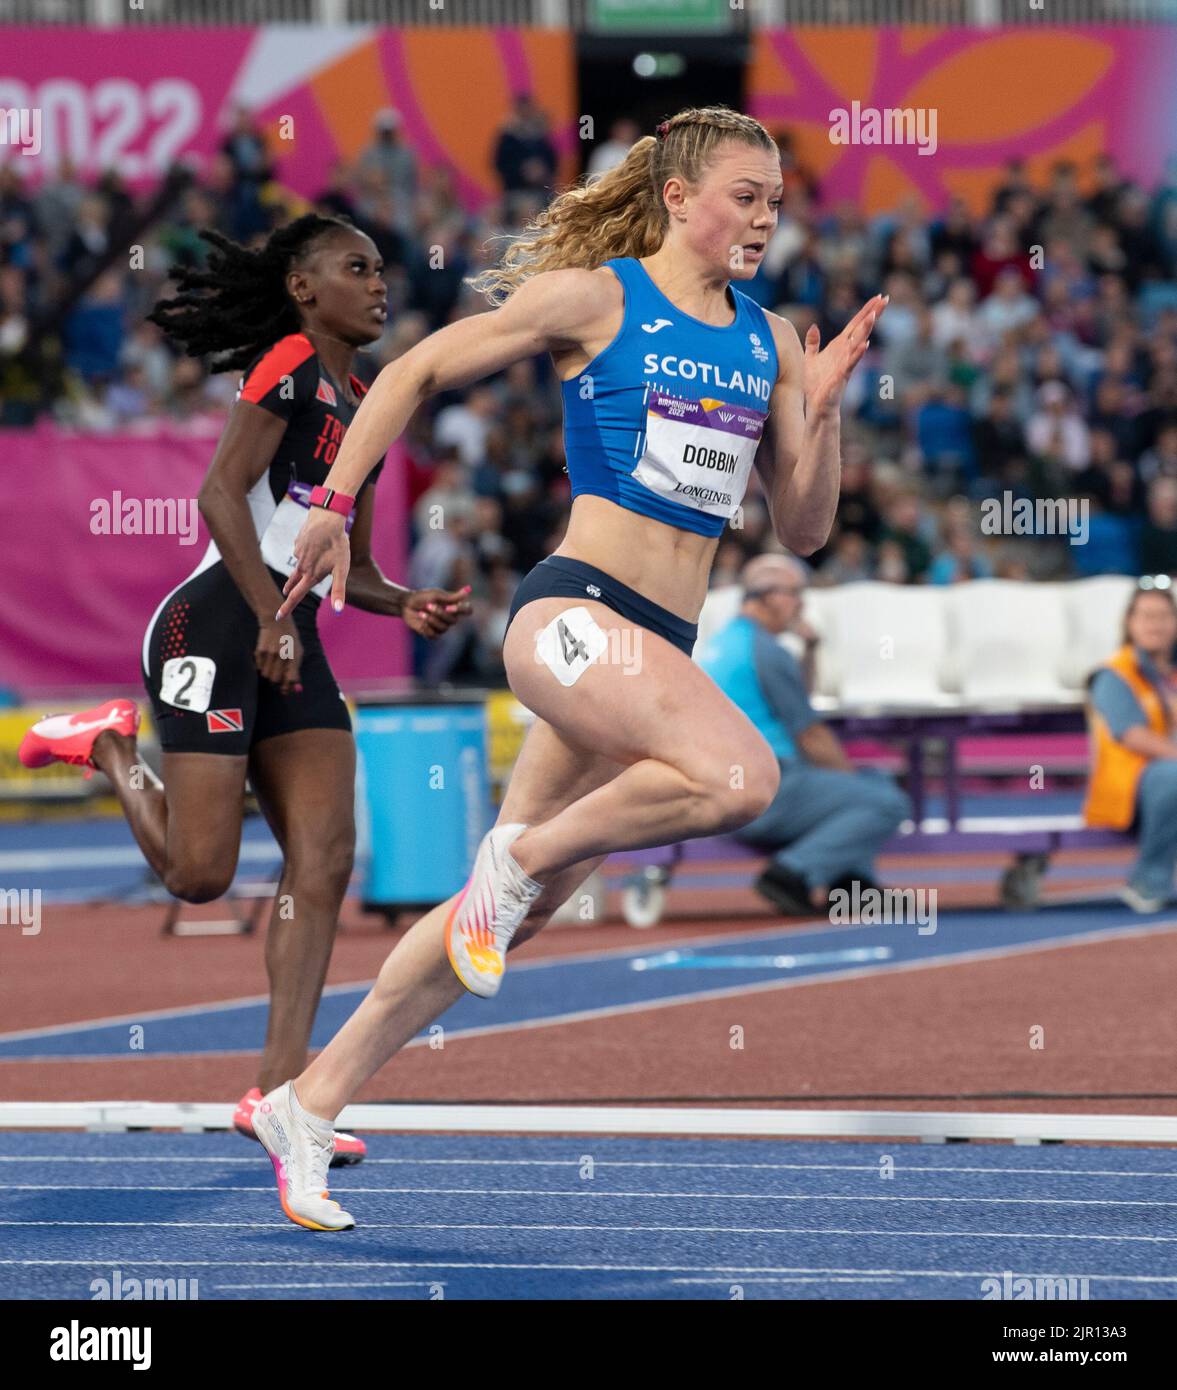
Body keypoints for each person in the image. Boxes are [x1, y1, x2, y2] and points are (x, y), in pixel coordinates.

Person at [251, 105, 885, 1231]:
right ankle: (522, 855)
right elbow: (411, 373)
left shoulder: (772, 339)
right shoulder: (599, 297)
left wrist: (822, 414)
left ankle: (308, 1099)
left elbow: (801, 527)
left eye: (777, 203)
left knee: (508, 918)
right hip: (573, 617)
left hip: (655, 651)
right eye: (744, 195)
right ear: (678, 196)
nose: (763, 219)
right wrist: (333, 506)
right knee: (742, 778)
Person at [18, 213, 470, 1166]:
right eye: (358, 269)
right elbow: (221, 496)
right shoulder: (289, 364)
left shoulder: (369, 402)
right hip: (217, 626)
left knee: (326, 858)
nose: (381, 284)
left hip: (287, 637)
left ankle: (283, 1097)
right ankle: (108, 745)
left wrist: (408, 605)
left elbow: (356, 567)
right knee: (200, 875)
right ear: (305, 288)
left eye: (384, 269)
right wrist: (270, 619)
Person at [697, 554, 909, 915]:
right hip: (768, 789)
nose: (802, 604)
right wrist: (848, 777)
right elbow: (809, 734)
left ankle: (853, 887)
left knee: (866, 787)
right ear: (767, 596)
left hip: (729, 786)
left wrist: (809, 650)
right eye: (794, 593)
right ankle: (792, 873)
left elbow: (793, 702)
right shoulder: (767, 652)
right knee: (883, 800)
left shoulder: (727, 643)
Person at [1082, 576, 1177, 912]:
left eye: (1163, 616)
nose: (1155, 625)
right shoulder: (1114, 674)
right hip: (1129, 784)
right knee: (1172, 777)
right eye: (1146, 616)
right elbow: (1132, 734)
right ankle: (1148, 881)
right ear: (1129, 622)